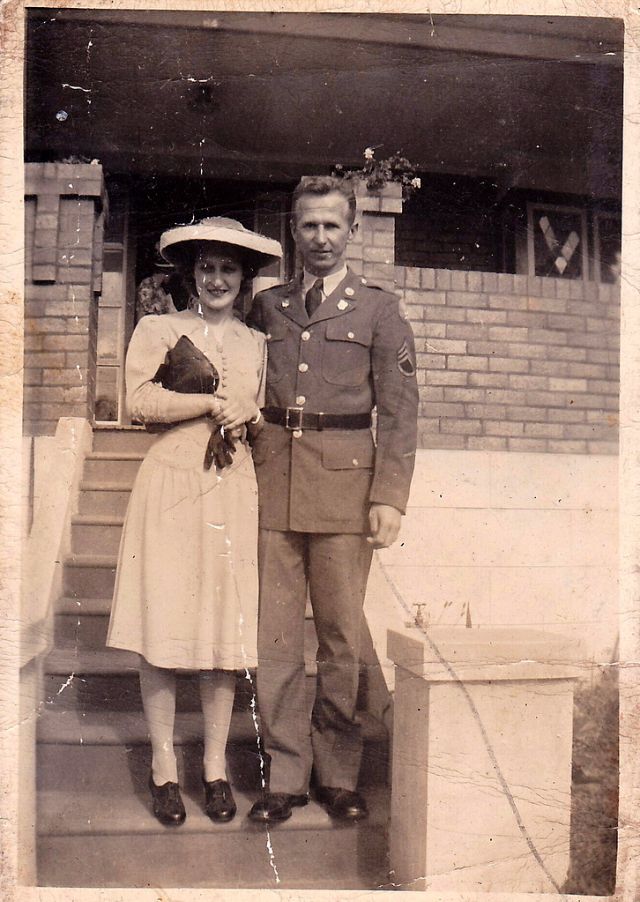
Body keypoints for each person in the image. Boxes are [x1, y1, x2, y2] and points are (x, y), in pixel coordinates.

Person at [247, 176, 419, 824]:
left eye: (331, 226)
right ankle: (285, 775)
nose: (320, 237)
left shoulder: (378, 308)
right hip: (274, 488)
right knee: (277, 640)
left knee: (342, 639)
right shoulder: (268, 306)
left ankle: (339, 774)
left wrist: (390, 498)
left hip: (348, 492)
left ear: (352, 232)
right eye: (309, 225)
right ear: (294, 230)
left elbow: (400, 413)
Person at [106, 217, 282, 827]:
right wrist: (209, 402)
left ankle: (212, 767)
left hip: (232, 488)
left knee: (220, 630)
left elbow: (264, 416)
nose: (216, 278)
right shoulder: (160, 328)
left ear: (245, 277)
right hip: (172, 483)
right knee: (164, 622)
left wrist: (250, 412)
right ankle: (162, 766)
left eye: (228, 268)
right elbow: (140, 402)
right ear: (191, 273)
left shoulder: (257, 344)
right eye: (206, 266)